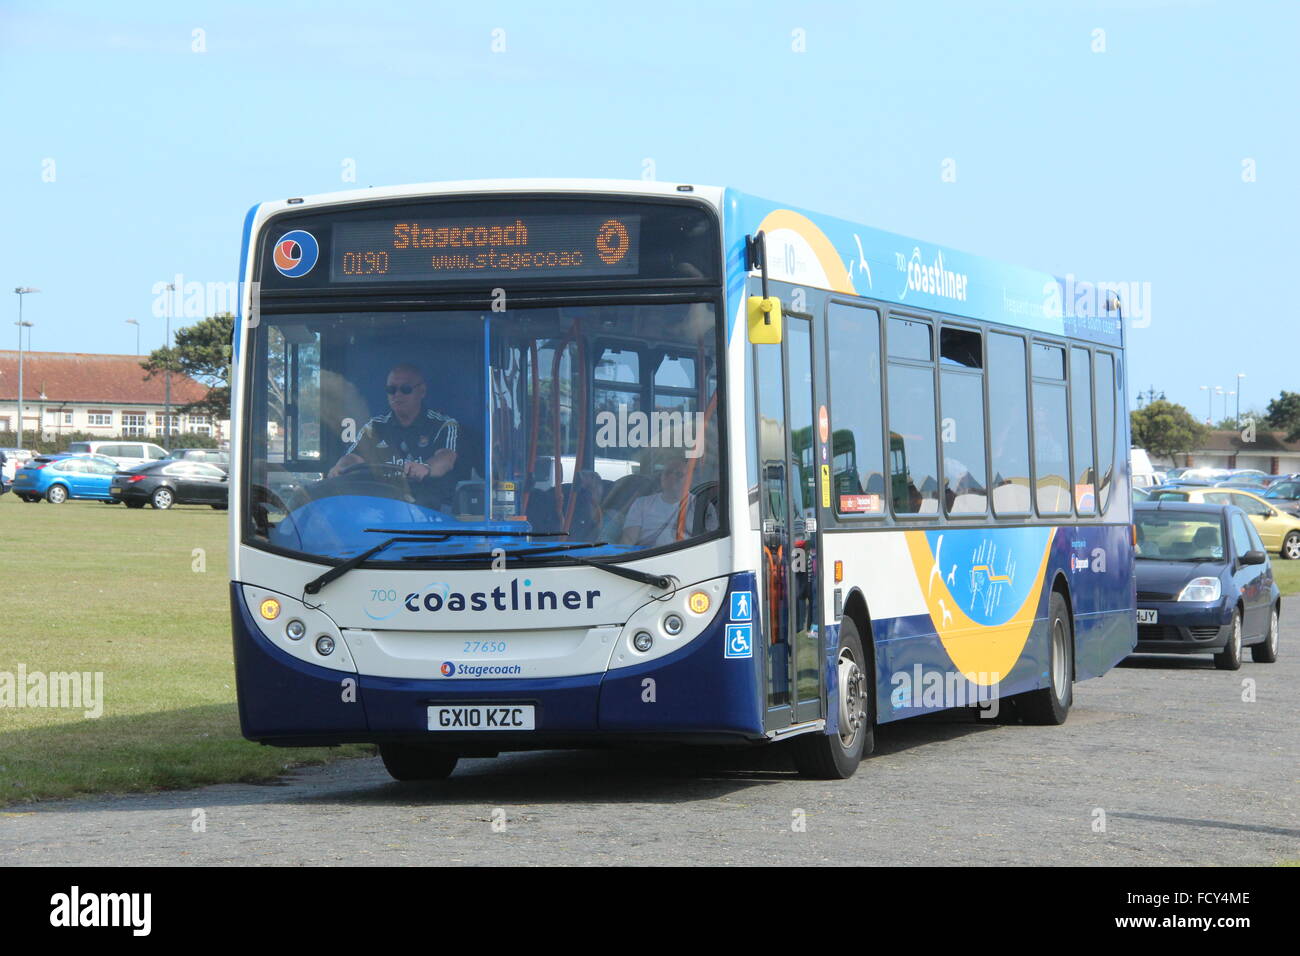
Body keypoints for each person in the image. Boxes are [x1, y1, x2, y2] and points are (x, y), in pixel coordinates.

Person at [328, 362, 460, 494]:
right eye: (391, 390)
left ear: (422, 391)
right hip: (382, 505)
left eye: (405, 389)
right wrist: (341, 467)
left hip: (427, 507)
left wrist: (426, 468)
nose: (397, 394)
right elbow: (354, 457)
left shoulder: (443, 425)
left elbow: (447, 458)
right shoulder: (374, 427)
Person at [620, 457, 716, 548]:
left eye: (679, 474)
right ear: (661, 477)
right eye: (668, 472)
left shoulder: (702, 506)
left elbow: (711, 544)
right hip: (646, 558)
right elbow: (628, 543)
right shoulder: (641, 504)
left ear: (689, 479)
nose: (672, 477)